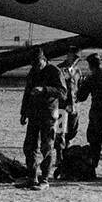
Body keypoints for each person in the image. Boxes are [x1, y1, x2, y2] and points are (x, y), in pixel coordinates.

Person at [21, 45, 65, 189]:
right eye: (33, 64)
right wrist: (23, 112)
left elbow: (63, 92)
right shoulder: (33, 72)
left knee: (46, 147)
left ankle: (44, 179)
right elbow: (27, 93)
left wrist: (45, 90)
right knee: (29, 147)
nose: (36, 67)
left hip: (48, 115)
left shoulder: (54, 71)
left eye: (38, 64)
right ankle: (32, 177)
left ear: (44, 60)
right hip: (34, 114)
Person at [52, 49, 81, 178]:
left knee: (72, 130)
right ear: (68, 56)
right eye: (73, 57)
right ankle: (59, 156)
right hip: (61, 106)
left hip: (74, 106)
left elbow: (78, 87)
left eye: (77, 58)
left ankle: (66, 153)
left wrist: (76, 102)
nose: (75, 60)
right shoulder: (59, 70)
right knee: (60, 131)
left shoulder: (77, 71)